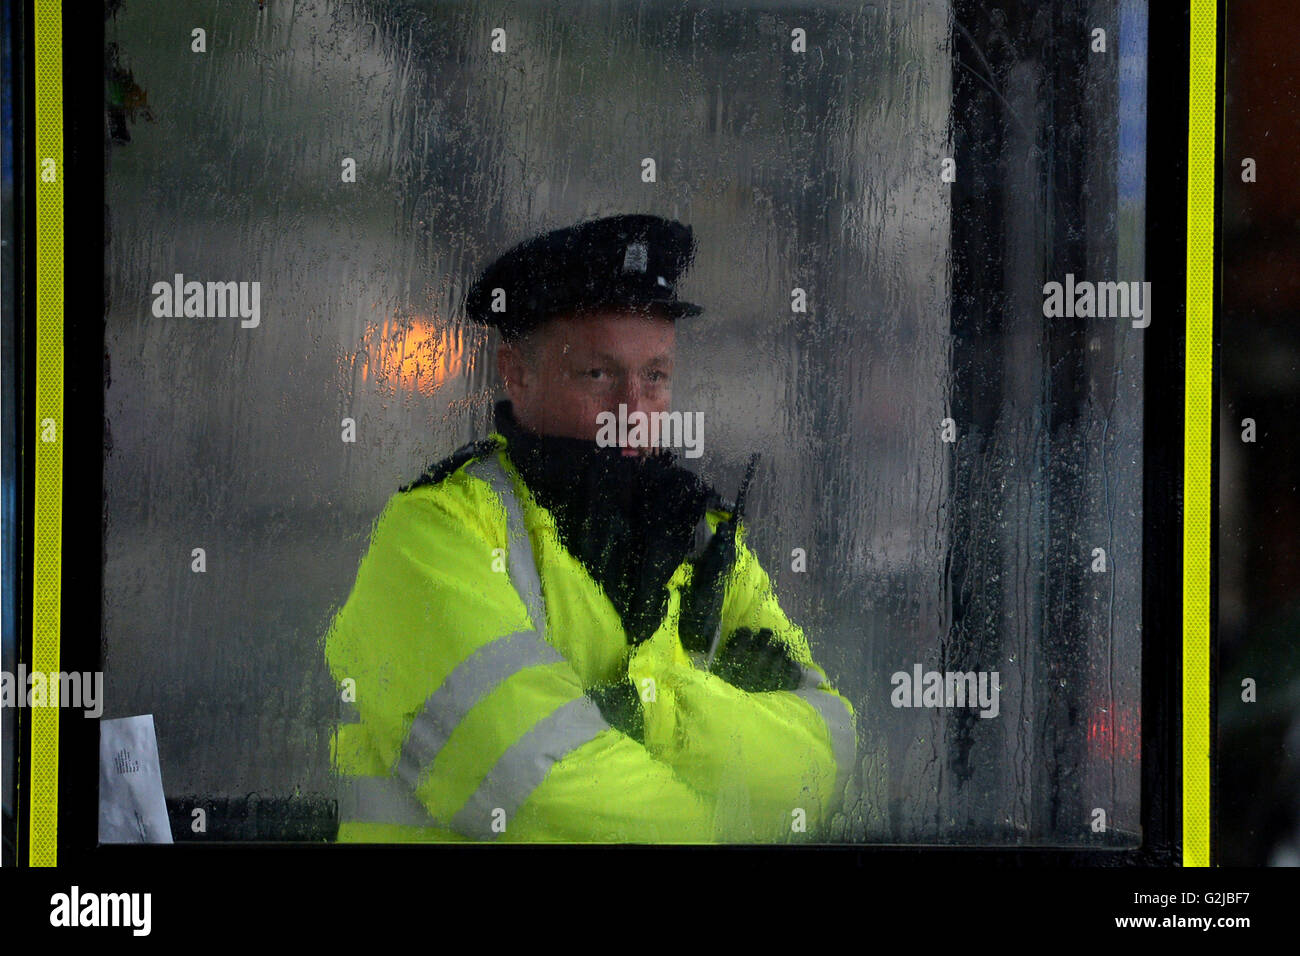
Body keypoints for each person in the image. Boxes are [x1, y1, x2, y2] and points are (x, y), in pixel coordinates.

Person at [324, 213, 855, 842]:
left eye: (654, 377)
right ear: (515, 373)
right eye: (598, 376)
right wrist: (725, 786)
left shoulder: (700, 536)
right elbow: (537, 786)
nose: (633, 412)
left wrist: (652, 718)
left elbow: (827, 758)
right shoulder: (437, 533)